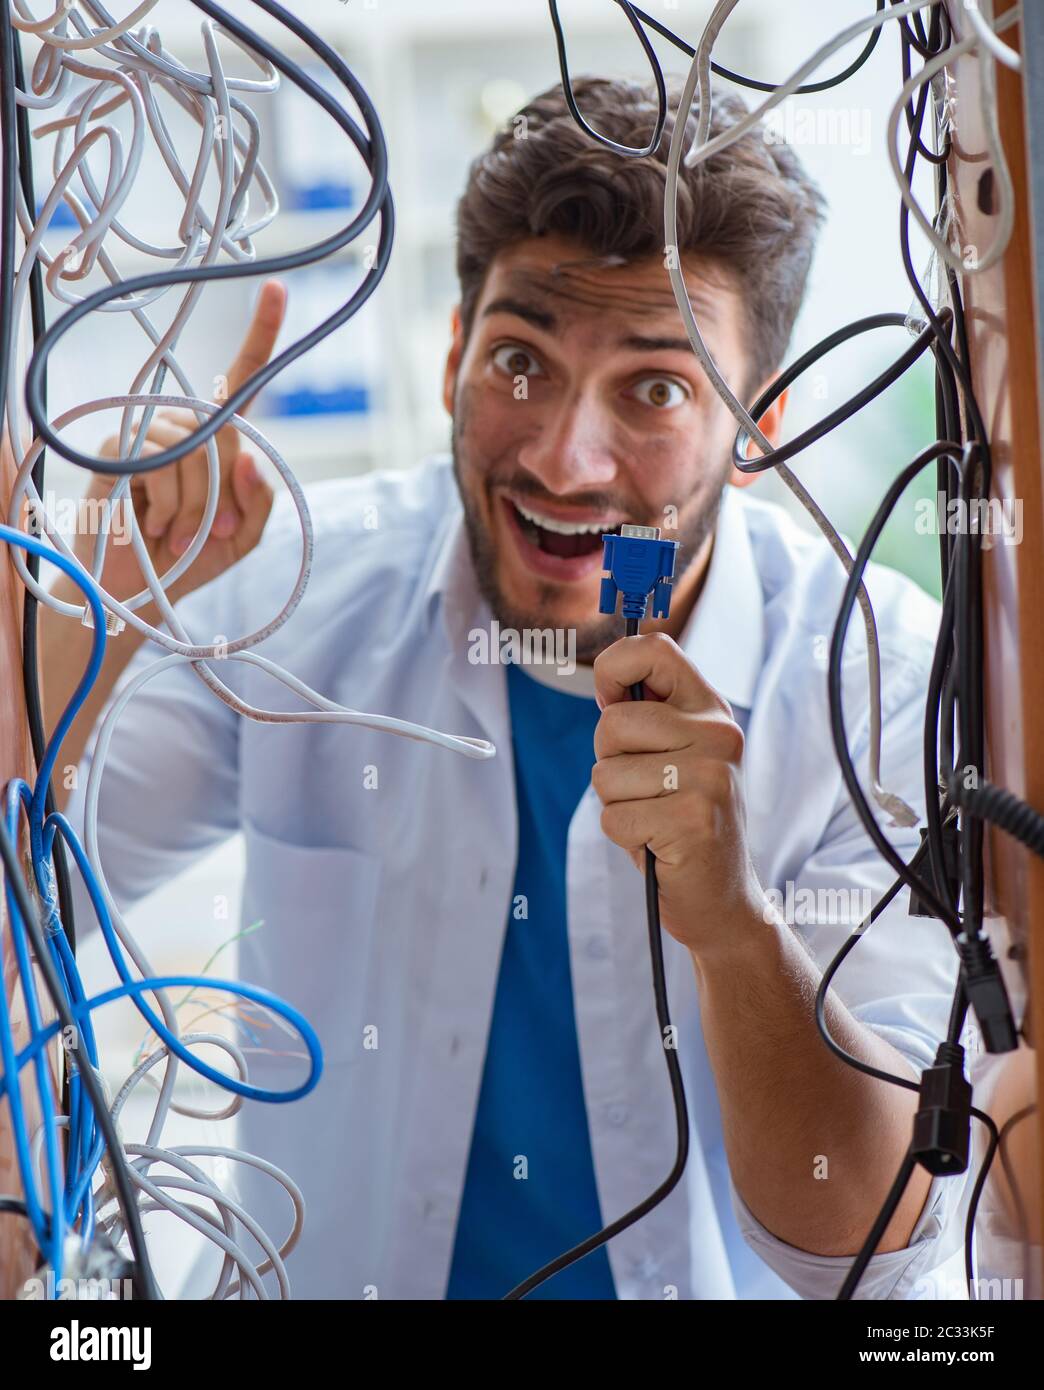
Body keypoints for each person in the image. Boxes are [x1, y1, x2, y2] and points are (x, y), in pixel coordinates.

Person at [44, 78, 965, 1300]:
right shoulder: (292, 605)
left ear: (760, 429)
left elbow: (870, 1239)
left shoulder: (885, 683)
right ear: (450, 361)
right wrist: (87, 616)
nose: (565, 460)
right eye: (520, 362)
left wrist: (734, 927)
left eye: (657, 386)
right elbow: (31, 888)